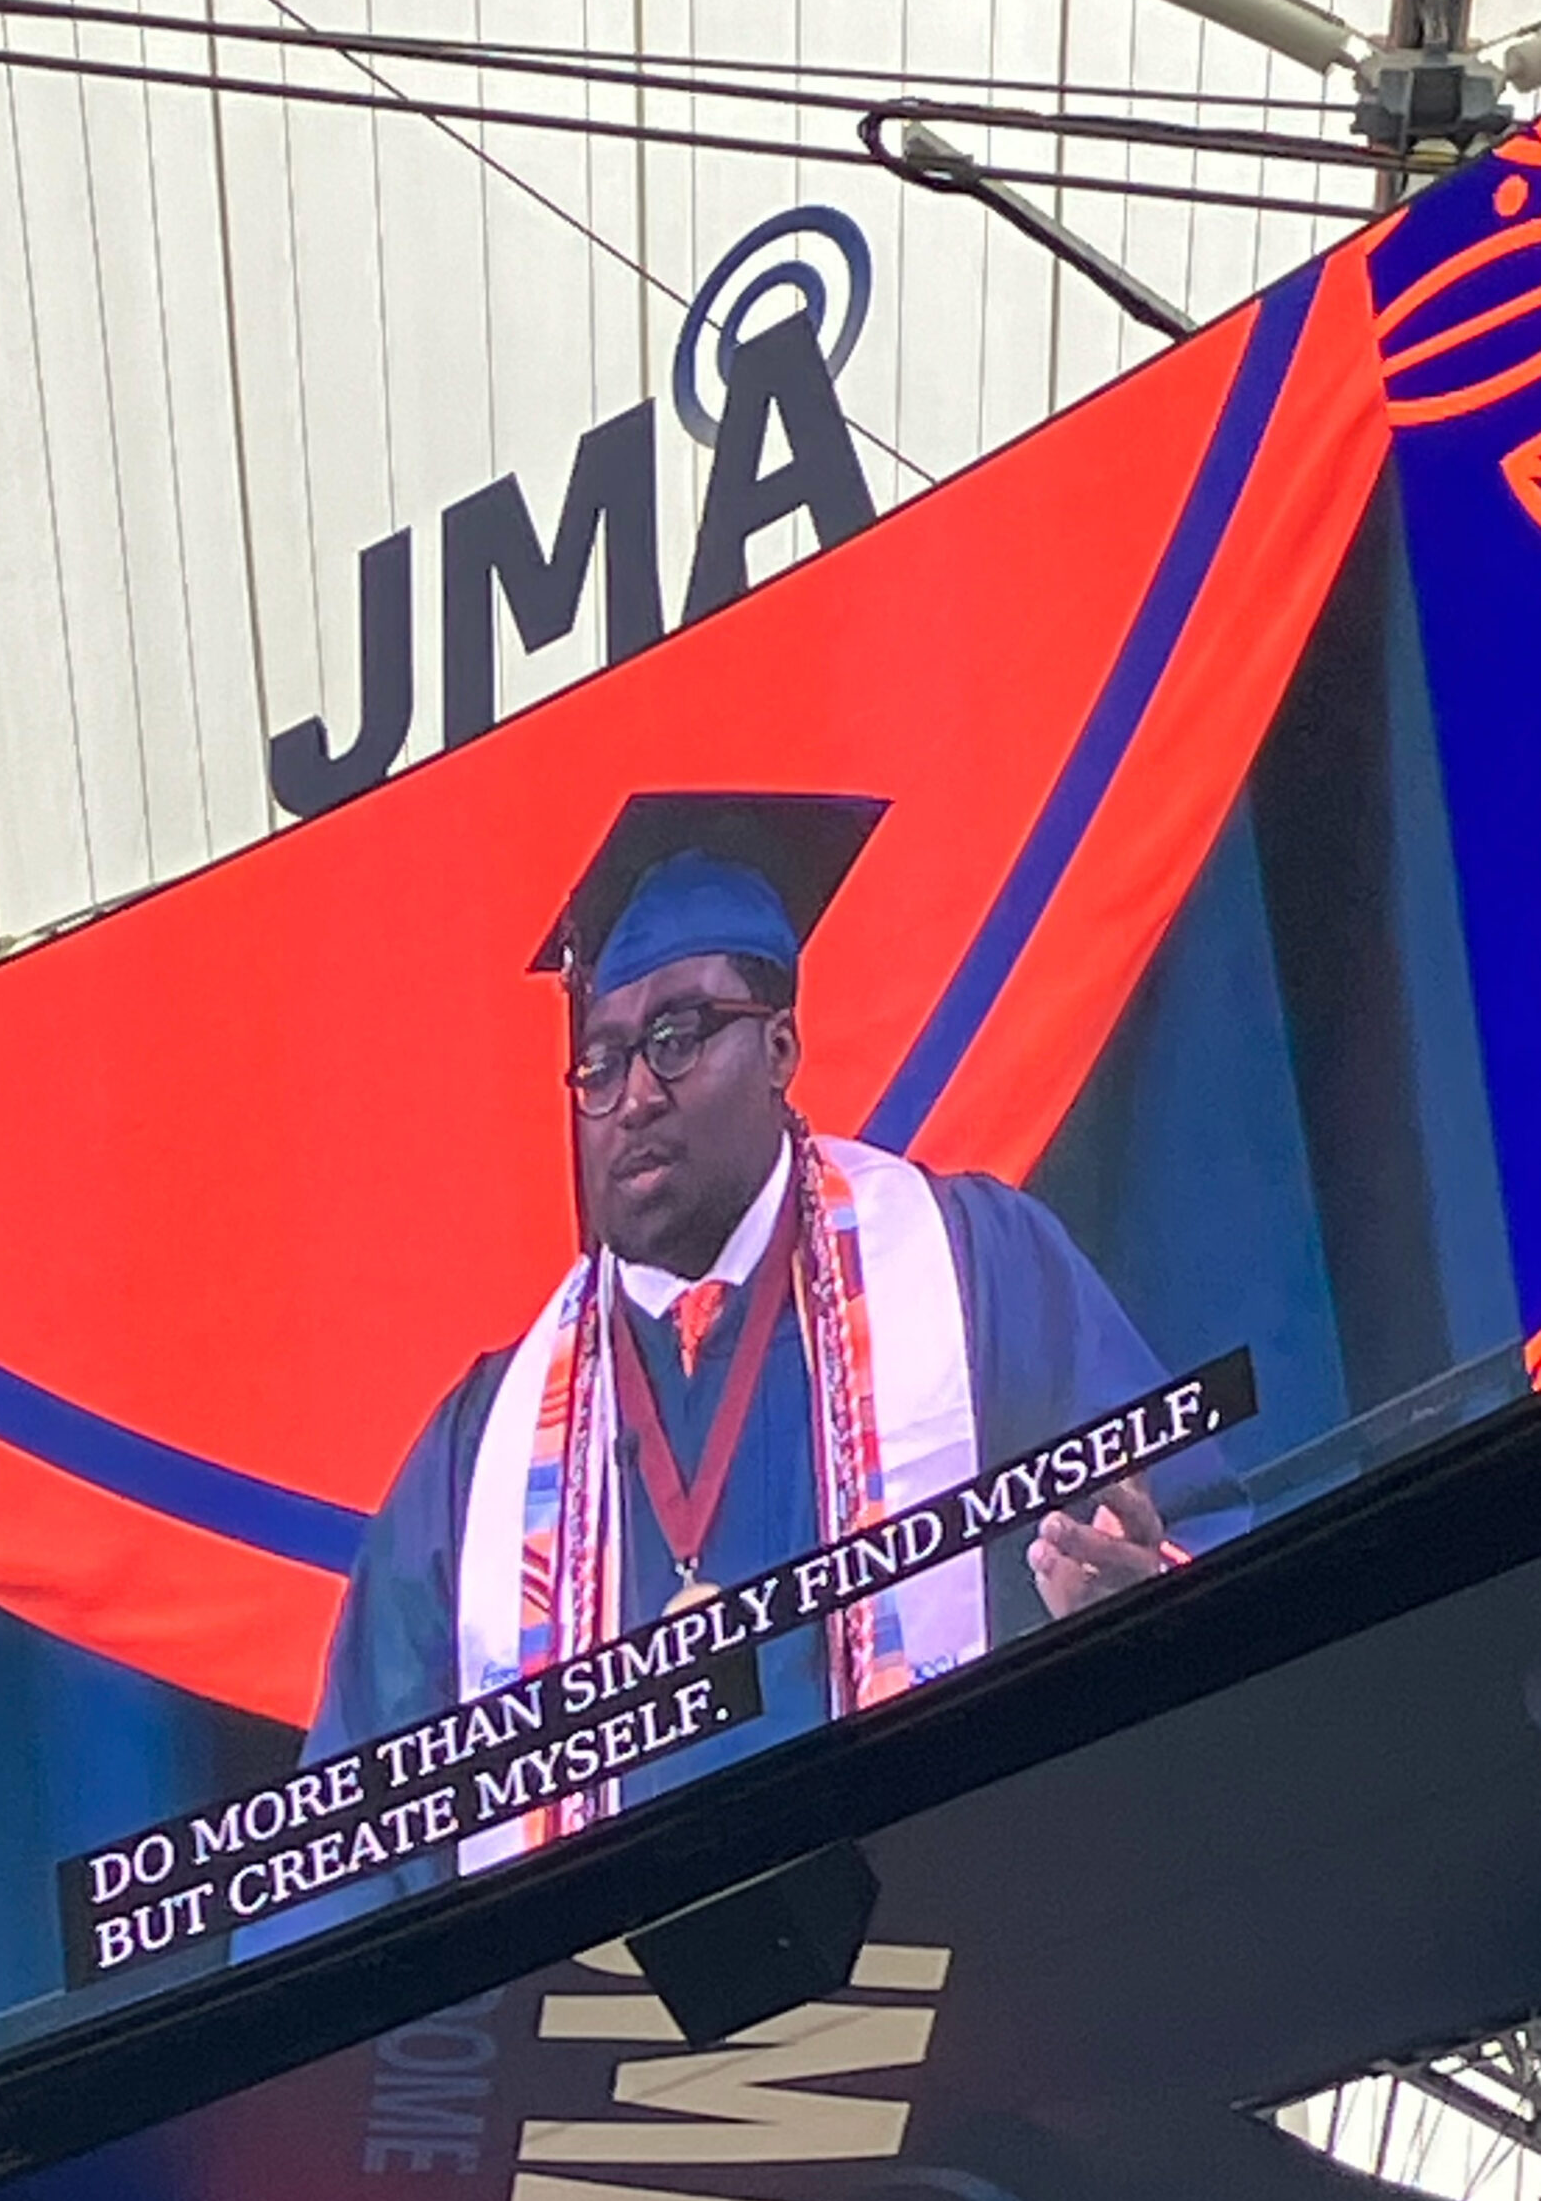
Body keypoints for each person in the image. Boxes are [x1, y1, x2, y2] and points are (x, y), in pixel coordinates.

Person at [284, 792, 1246, 1922]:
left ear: (781, 1044)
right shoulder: (473, 1459)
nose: (635, 1092)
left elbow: (1205, 1561)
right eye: (598, 1064)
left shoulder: (979, 1270)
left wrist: (1147, 1614)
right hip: (619, 2071)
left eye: (678, 1037)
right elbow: (341, 1862)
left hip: (975, 1970)